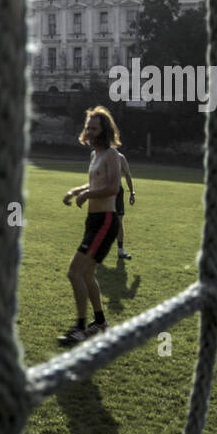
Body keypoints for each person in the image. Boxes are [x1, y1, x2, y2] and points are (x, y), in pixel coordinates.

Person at [58, 106, 122, 347]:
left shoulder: (112, 155)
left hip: (106, 220)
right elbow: (96, 182)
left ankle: (80, 327)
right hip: (94, 220)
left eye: (94, 128)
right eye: (88, 127)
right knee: (86, 273)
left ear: (104, 130)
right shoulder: (95, 155)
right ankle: (101, 322)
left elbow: (113, 188)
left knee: (74, 272)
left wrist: (87, 195)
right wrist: (77, 191)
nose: (90, 131)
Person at [115, 149, 135, 260]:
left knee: (119, 221)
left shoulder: (120, 157)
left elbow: (127, 175)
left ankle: (120, 250)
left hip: (117, 191)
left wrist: (132, 192)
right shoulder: (98, 155)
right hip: (104, 192)